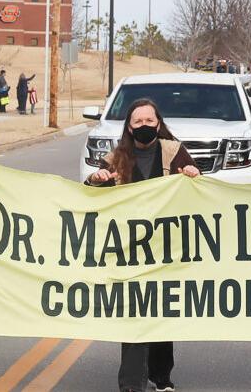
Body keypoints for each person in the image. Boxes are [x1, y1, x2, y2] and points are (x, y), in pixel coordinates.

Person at [85, 98, 199, 392]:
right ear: (129, 127)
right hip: (129, 251)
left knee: (161, 313)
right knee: (135, 315)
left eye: (150, 121)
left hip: (166, 249)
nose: (145, 126)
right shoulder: (116, 158)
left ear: (159, 124)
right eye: (138, 122)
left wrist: (191, 176)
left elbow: (198, 189)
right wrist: (96, 180)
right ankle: (132, 384)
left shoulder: (174, 152)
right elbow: (92, 192)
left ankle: (161, 377)